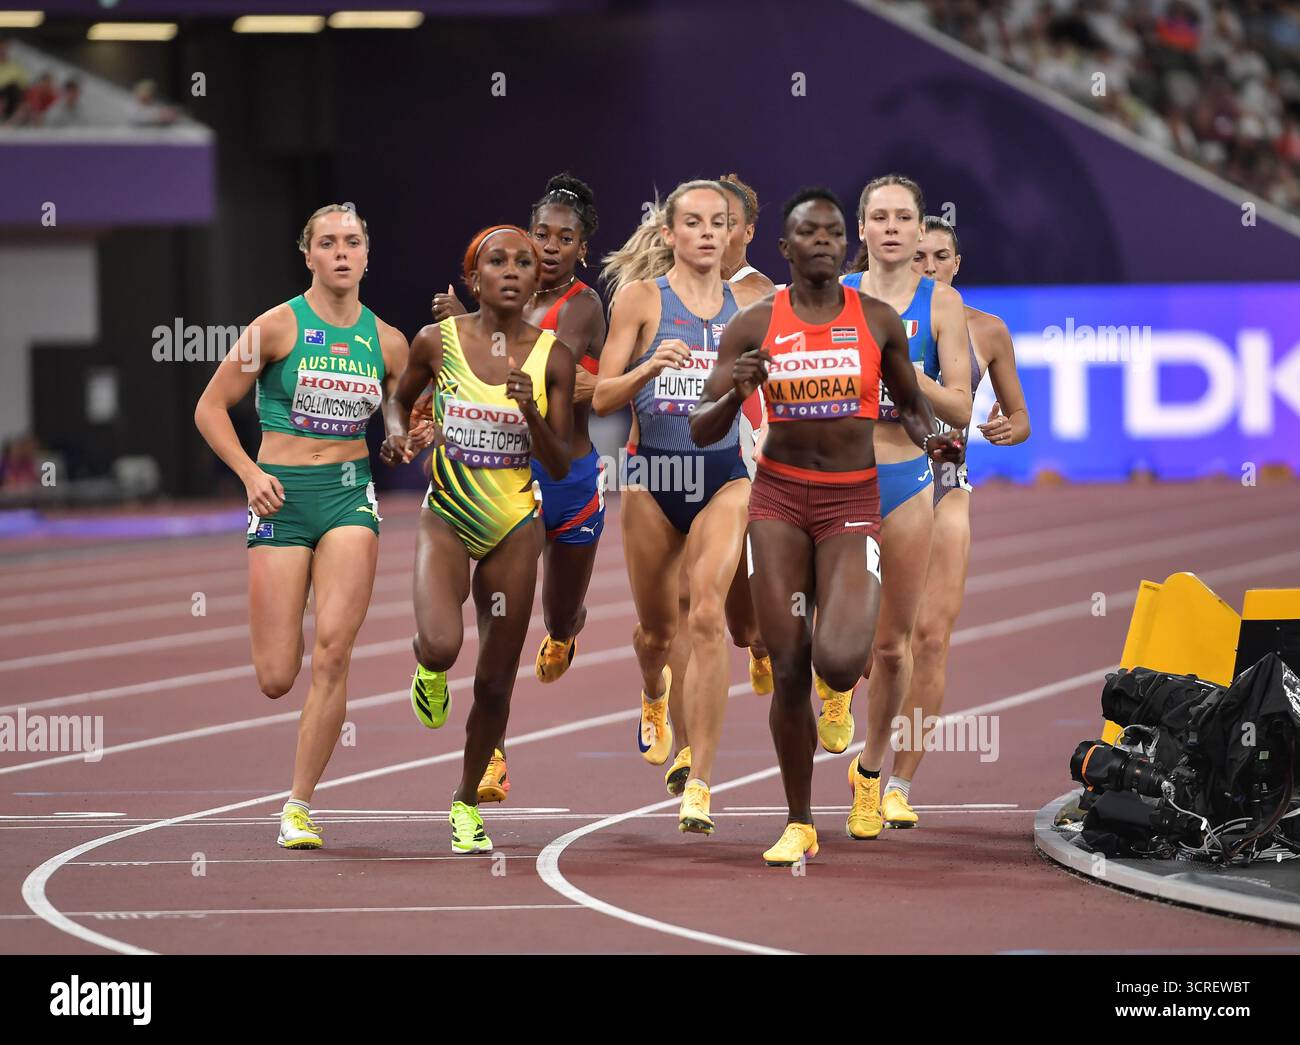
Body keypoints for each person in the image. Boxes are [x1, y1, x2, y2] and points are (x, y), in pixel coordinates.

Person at [691, 187, 962, 864]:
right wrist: (736, 389)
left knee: (840, 657)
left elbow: (912, 407)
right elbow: (702, 427)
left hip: (850, 503)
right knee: (787, 667)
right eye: (806, 233)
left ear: (847, 246)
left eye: (831, 233)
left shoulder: (876, 321)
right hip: (779, 504)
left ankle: (838, 699)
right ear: (784, 249)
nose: (820, 241)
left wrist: (934, 441)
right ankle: (800, 818)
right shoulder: (754, 323)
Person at [194, 204, 416, 850]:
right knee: (276, 674)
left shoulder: (390, 341)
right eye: (329, 243)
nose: (342, 252)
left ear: (367, 256)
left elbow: (400, 423)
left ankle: (298, 804)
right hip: (280, 499)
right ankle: (295, 787)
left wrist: (404, 440)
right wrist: (247, 473)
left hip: (349, 499)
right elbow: (209, 408)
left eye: (352, 242)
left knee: (334, 653)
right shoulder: (277, 326)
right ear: (309, 255)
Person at [387, 225, 574, 854]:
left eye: (525, 261)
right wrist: (394, 431)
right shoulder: (436, 342)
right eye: (498, 261)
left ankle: (466, 801)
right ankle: (429, 670)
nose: (515, 270)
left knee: (496, 681)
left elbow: (558, 464)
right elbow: (398, 397)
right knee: (442, 646)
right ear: (474, 280)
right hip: (446, 516)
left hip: (514, 526)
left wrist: (529, 410)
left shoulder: (553, 356)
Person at [420, 174, 606, 806]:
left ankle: (568, 628)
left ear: (582, 249)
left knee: (555, 615)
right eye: (541, 237)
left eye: (565, 239)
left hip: (565, 471)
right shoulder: (490, 300)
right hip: (495, 480)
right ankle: (489, 761)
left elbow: (566, 383)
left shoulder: (580, 309)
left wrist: (478, 330)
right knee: (495, 639)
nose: (550, 249)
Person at [593, 179, 764, 833]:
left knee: (706, 612)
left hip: (725, 475)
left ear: (731, 232)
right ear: (669, 234)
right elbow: (603, 398)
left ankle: (700, 777)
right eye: (690, 222)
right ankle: (654, 691)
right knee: (657, 633)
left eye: (716, 222)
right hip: (652, 478)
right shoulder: (641, 299)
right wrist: (648, 369)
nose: (704, 233)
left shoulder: (755, 299)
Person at [830, 174, 972, 841]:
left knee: (892, 648)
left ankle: (872, 774)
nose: (890, 227)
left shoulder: (941, 304)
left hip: (908, 482)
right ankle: (829, 693)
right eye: (878, 216)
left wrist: (902, 373)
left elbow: (963, 405)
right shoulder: (831, 294)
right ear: (860, 229)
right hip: (831, 480)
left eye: (903, 217)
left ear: (921, 231)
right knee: (825, 633)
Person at [881, 215, 1030, 827]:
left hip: (945, 482)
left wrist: (1007, 428)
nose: (929, 266)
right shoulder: (876, 320)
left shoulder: (986, 331)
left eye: (939, 256)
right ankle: (859, 730)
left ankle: (898, 785)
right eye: (918, 256)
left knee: (932, 637)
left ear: (956, 263)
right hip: (879, 478)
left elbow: (1020, 417)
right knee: (875, 644)